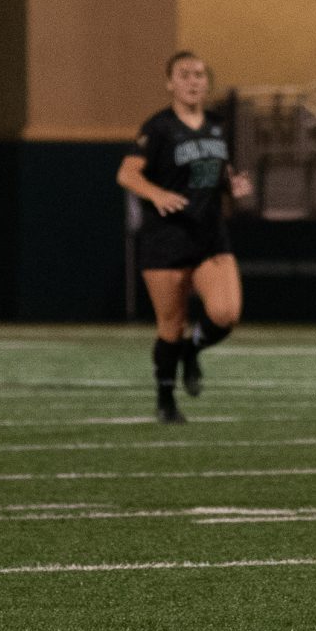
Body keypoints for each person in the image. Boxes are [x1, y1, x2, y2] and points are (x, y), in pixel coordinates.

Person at [117, 51, 249, 424]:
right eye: (184, 75)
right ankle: (165, 401)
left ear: (207, 83)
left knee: (225, 313)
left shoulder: (218, 125)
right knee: (170, 325)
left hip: (209, 235)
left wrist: (231, 184)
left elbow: (218, 170)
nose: (193, 81)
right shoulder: (159, 127)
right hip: (167, 237)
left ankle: (193, 352)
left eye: (199, 75)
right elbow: (127, 175)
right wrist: (156, 194)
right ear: (170, 84)